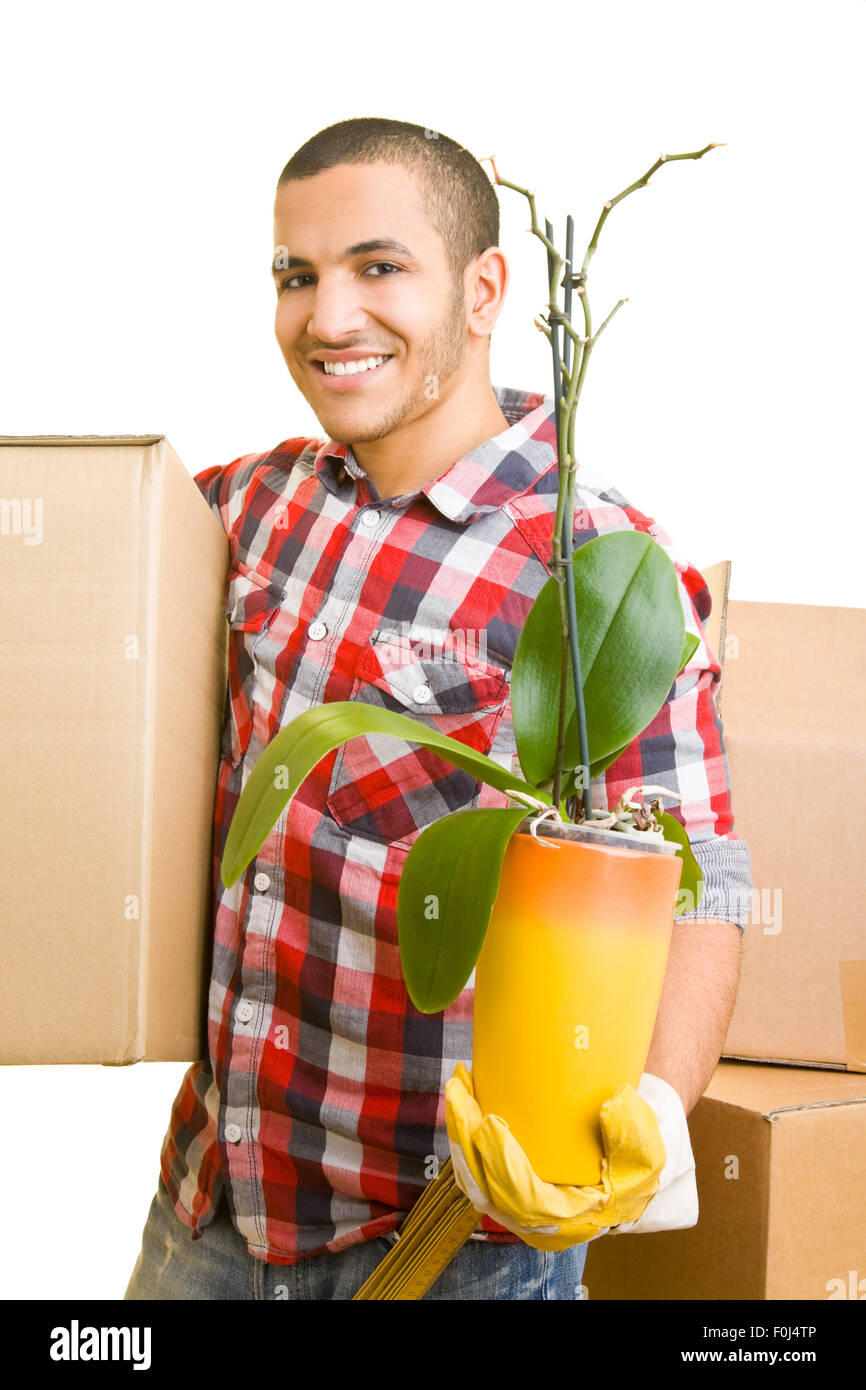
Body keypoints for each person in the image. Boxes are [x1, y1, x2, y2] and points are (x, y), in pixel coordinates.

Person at [124, 116, 752, 1301]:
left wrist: (656, 1119)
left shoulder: (593, 569)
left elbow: (697, 871)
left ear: (482, 290)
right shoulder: (253, 505)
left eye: (377, 267)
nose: (326, 316)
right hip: (213, 1203)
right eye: (295, 277)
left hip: (449, 1251)